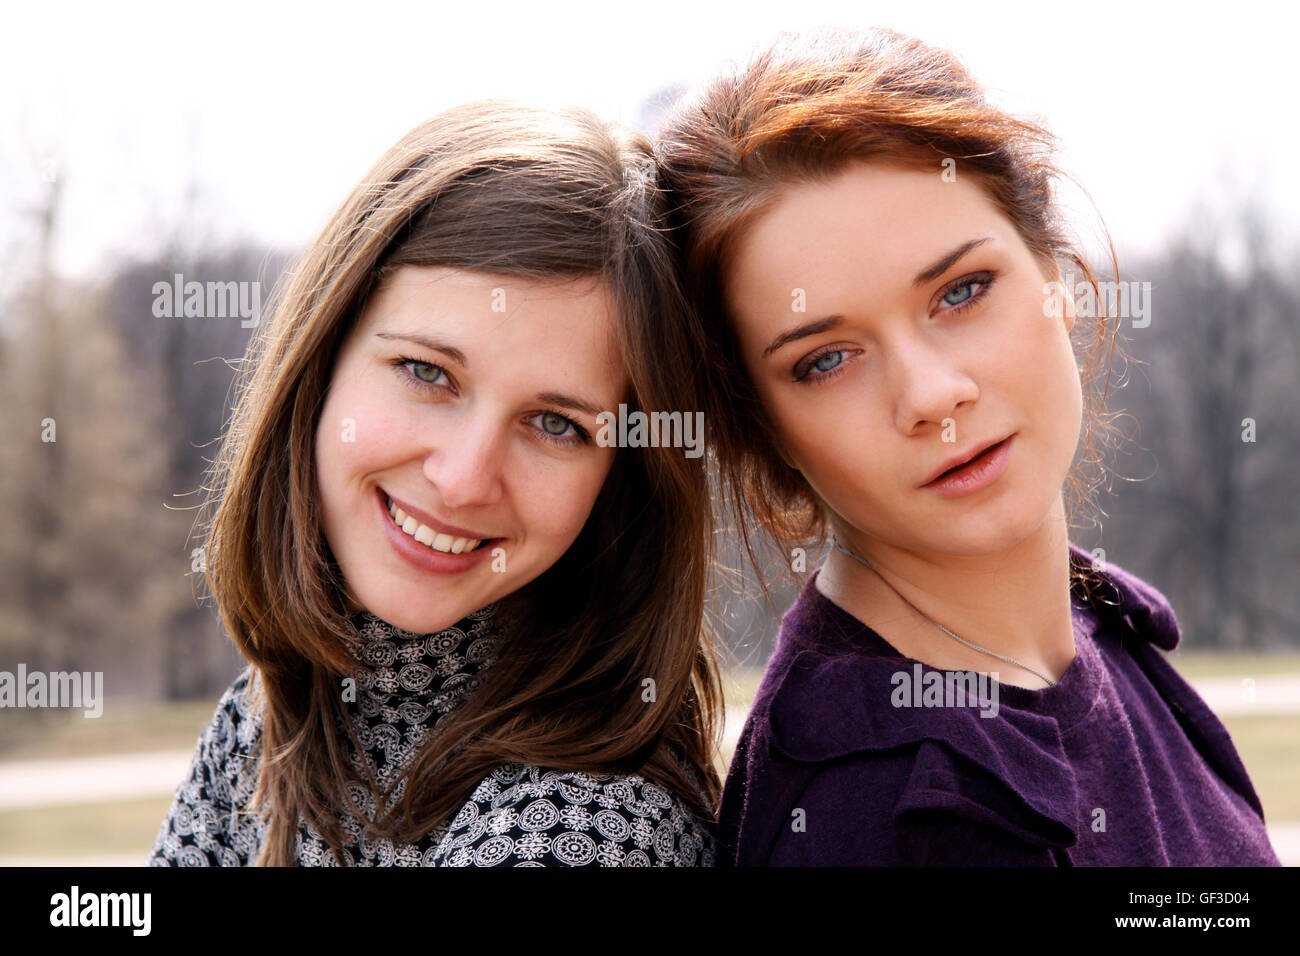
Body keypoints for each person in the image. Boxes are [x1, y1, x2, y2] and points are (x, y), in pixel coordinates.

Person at [653, 27, 1281, 866]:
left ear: (1054, 272)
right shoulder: (887, 815)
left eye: (962, 291)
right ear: (764, 431)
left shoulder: (1104, 627)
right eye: (826, 360)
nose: (930, 395)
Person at [149, 101, 722, 866]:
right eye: (428, 373)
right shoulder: (266, 725)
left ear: (620, 485)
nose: (462, 480)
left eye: (557, 424)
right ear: (320, 362)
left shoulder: (587, 826)